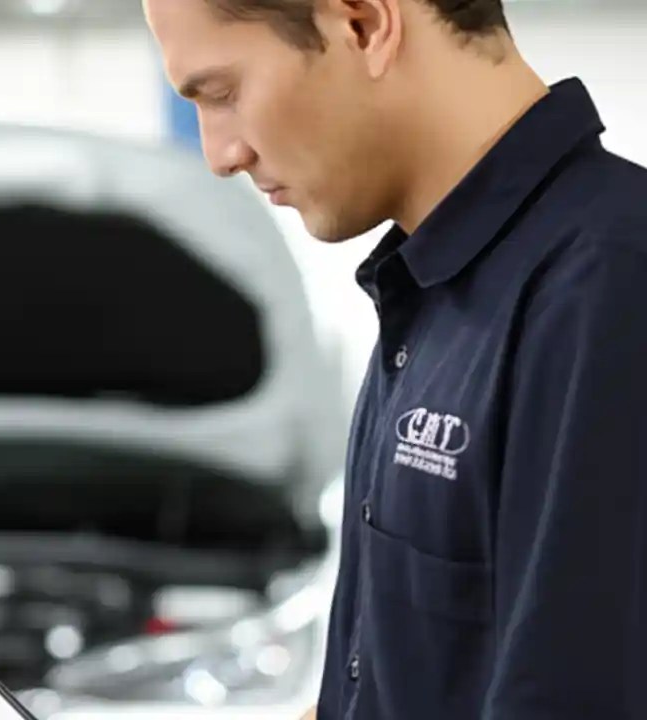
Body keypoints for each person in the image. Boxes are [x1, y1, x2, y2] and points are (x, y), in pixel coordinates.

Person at [141, 0, 647, 718]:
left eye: (222, 94)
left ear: (364, 25)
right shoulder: (433, 295)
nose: (220, 155)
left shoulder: (608, 287)